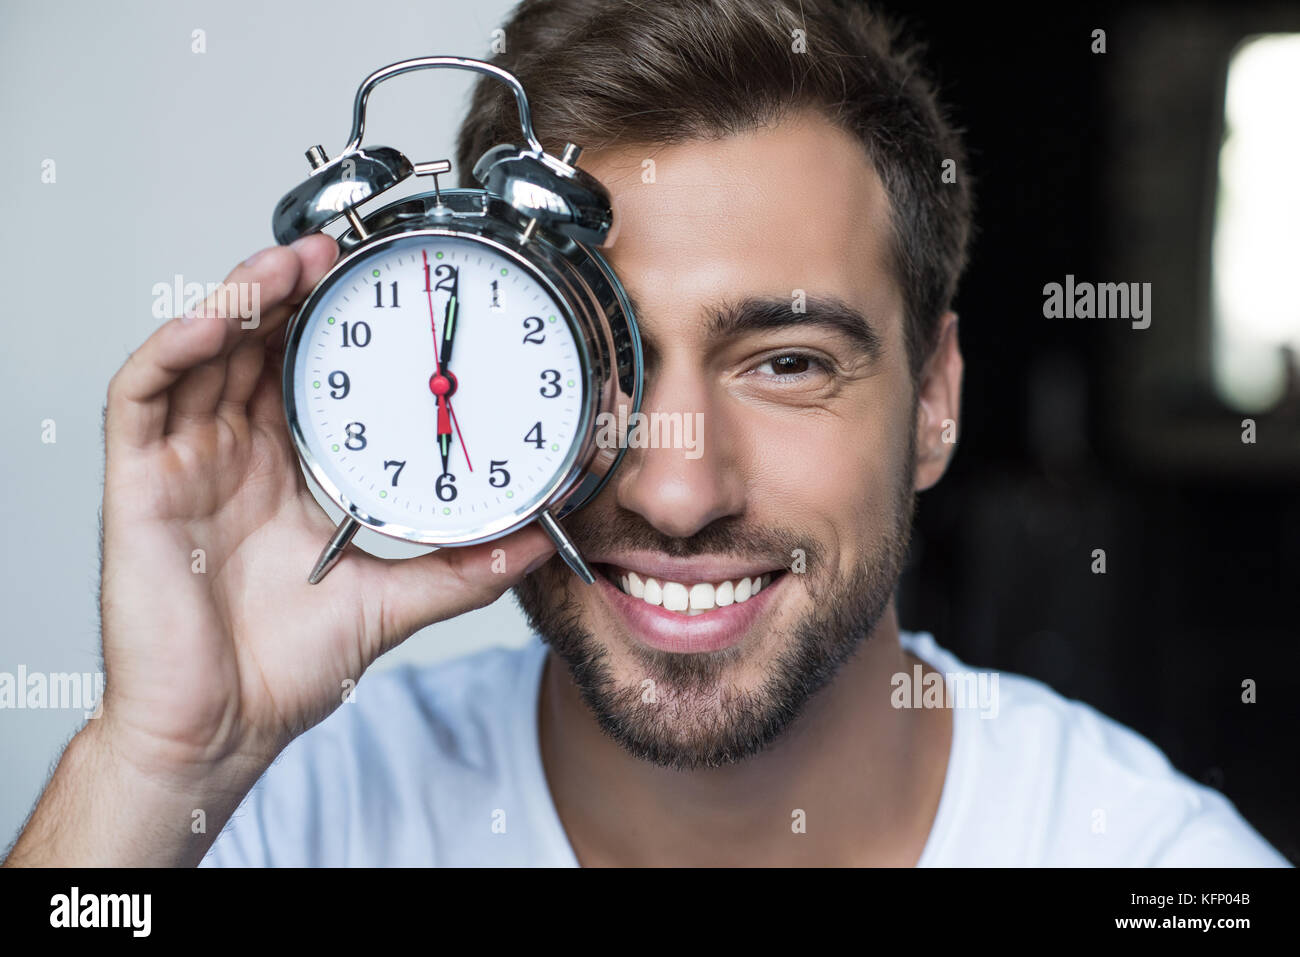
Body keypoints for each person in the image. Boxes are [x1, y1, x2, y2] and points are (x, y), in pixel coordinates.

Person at [4, 0, 1287, 867]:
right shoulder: (274, 818)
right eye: (590, 359)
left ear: (935, 400)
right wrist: (158, 756)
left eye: (785, 363)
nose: (677, 490)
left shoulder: (1144, 860)